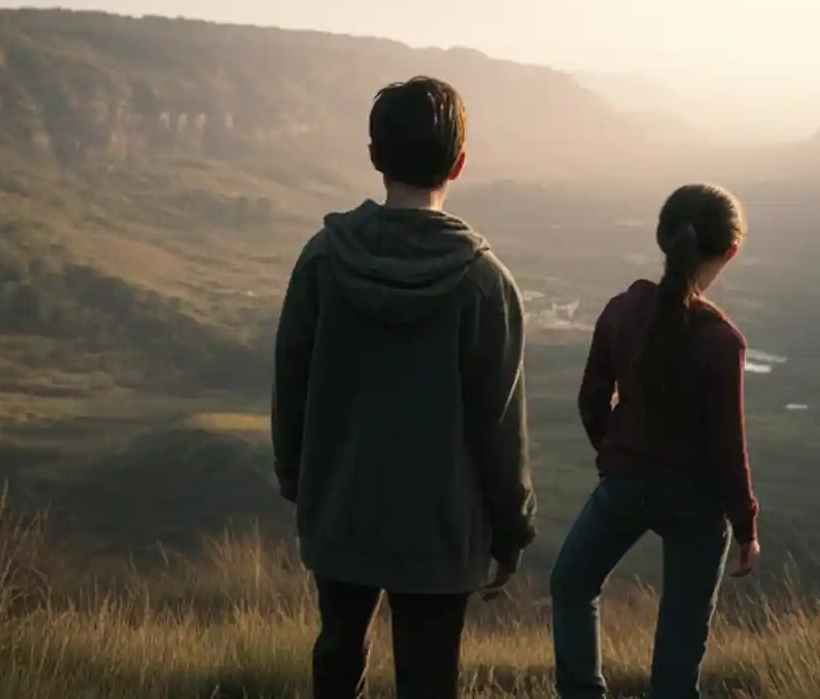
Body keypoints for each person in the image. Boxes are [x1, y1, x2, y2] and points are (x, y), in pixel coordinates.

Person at [272, 76, 537, 699]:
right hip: (441, 527)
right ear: (460, 163)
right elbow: (500, 424)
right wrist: (512, 527)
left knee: (336, 661)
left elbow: (291, 384)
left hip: (340, 506)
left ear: (374, 156)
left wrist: (298, 480)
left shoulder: (321, 260)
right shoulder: (484, 283)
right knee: (430, 677)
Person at [549, 184, 761, 699]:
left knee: (571, 586)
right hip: (697, 505)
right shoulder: (720, 341)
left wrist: (616, 454)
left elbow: (592, 400)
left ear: (664, 238)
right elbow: (727, 447)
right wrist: (746, 525)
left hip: (625, 487)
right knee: (679, 646)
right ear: (729, 252)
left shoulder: (623, 309)